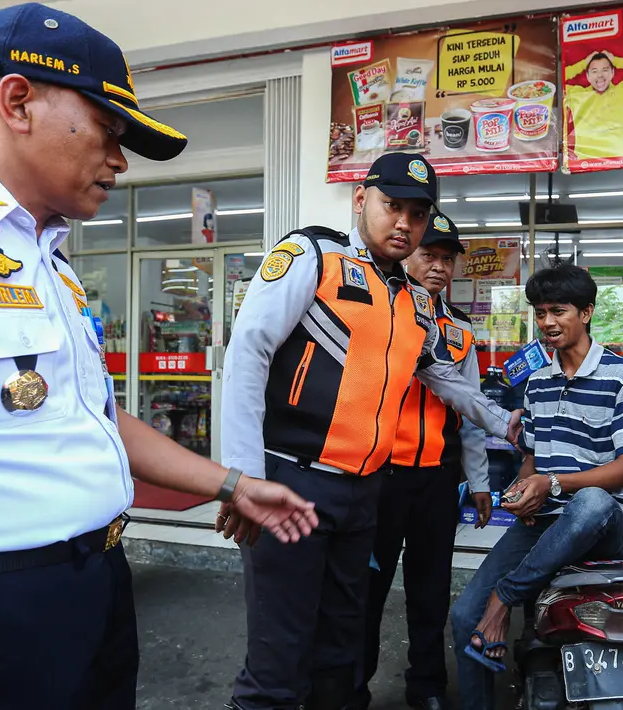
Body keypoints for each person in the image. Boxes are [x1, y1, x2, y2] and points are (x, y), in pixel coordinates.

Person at [0, 4, 317, 710]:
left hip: (92, 592)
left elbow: (90, 414)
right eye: (106, 130)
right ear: (18, 101)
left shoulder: (42, 256)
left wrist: (228, 484)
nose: (118, 158)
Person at [219, 152, 519, 710]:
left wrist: (508, 423)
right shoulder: (312, 256)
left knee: (340, 655)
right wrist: (242, 479)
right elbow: (248, 352)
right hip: (291, 482)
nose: (404, 223)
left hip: (364, 496)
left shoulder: (411, 303)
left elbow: (446, 382)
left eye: (417, 214)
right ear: (362, 201)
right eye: (392, 206)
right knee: (278, 660)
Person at [448, 264, 623, 710]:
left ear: (586, 312)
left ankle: (504, 601)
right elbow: (532, 460)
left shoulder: (622, 376)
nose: (547, 323)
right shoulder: (538, 384)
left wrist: (552, 482)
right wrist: (523, 491)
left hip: (603, 521)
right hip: (546, 520)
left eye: (558, 311)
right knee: (465, 613)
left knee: (592, 500)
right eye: (540, 313)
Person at [349, 213, 490, 710]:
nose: (438, 268)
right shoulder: (379, 315)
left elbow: (471, 410)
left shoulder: (462, 330)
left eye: (447, 260)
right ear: (407, 253)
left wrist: (478, 481)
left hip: (437, 482)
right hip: (379, 479)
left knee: (430, 591)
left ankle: (427, 685)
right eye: (429, 255)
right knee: (365, 589)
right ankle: (351, 688)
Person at [563, 50, 623, 162]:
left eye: (605, 70)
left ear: (612, 73)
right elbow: (554, 83)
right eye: (594, 71)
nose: (600, 75)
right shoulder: (576, 94)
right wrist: (582, 64)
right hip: (586, 160)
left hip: (620, 159)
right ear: (588, 76)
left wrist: (617, 61)